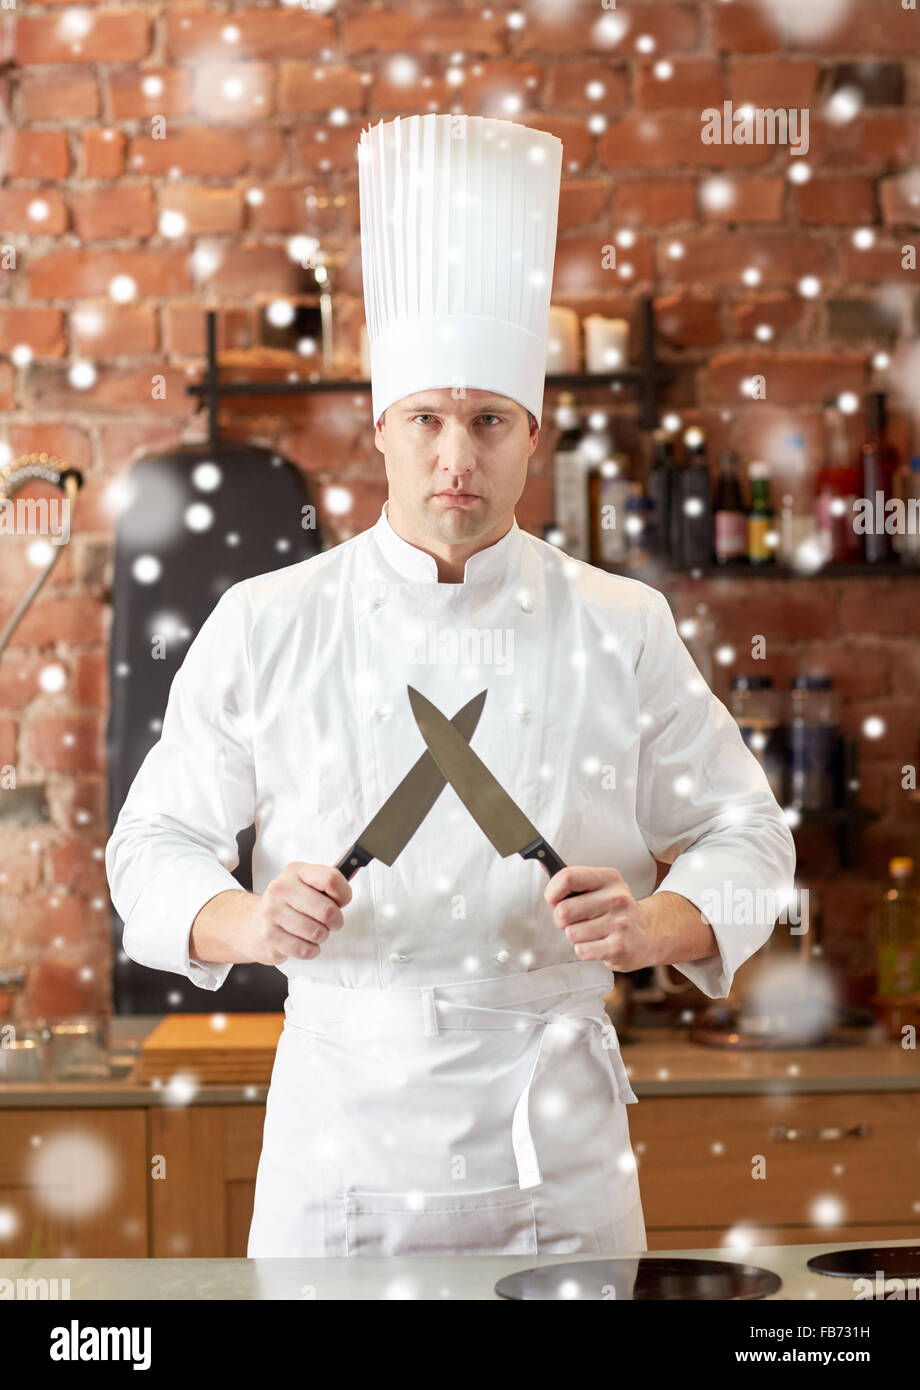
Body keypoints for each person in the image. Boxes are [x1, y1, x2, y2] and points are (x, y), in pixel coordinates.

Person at [106, 114, 796, 1258]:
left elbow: (749, 839)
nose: (455, 458)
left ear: (532, 433)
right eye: (426, 418)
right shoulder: (268, 620)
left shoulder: (619, 623)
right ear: (381, 428)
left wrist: (650, 926)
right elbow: (151, 848)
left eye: (487, 421)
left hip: (556, 1151)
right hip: (340, 1149)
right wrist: (247, 920)